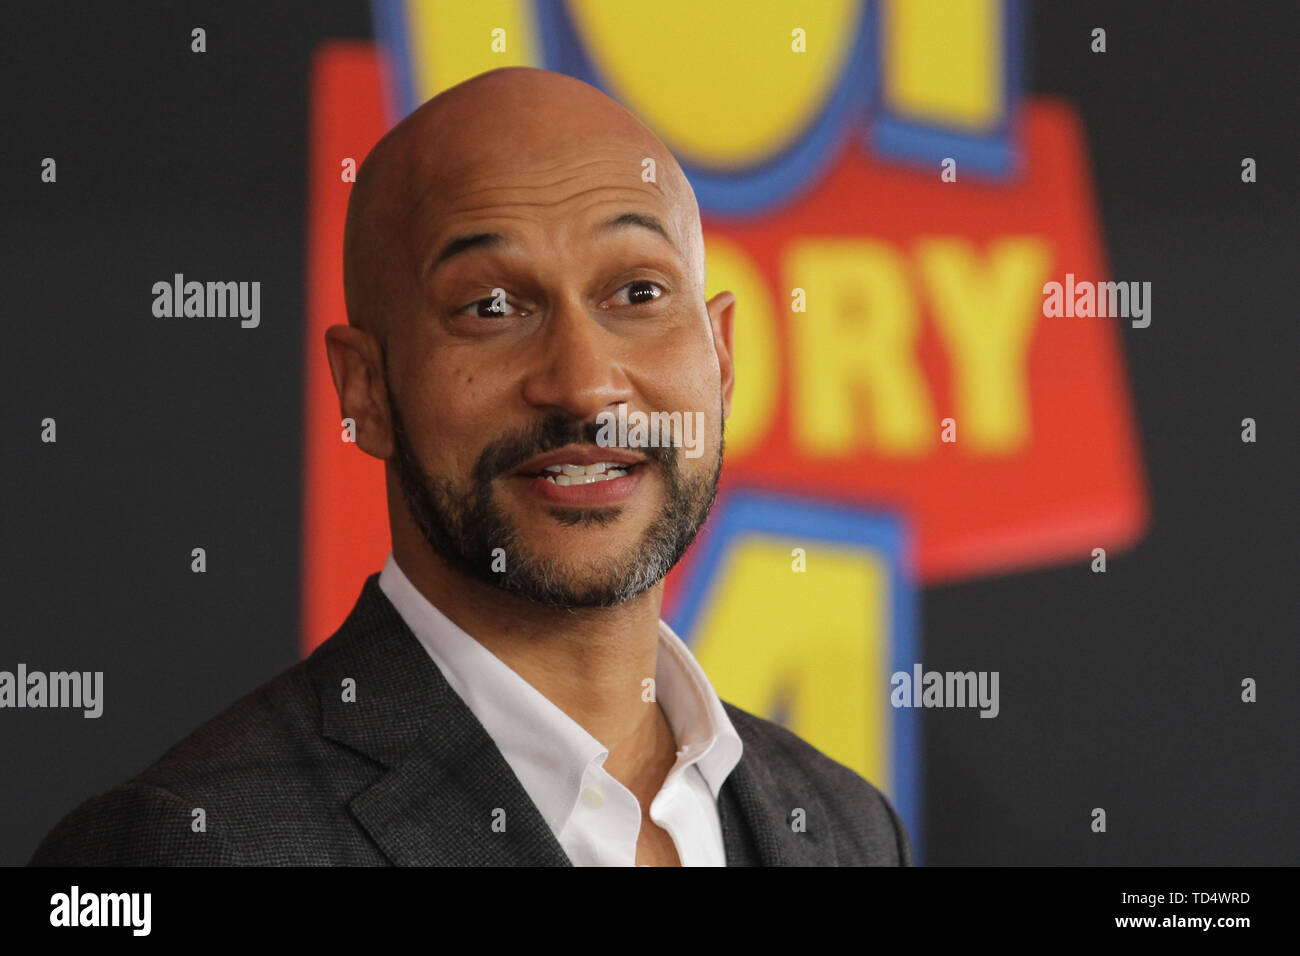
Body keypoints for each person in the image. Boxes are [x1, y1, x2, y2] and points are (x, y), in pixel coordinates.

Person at [30, 66, 912, 867]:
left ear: (719, 357)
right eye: (492, 307)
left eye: (638, 293)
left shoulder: (846, 827)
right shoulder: (184, 847)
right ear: (365, 389)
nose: (585, 384)